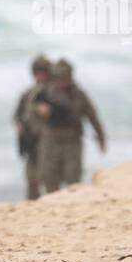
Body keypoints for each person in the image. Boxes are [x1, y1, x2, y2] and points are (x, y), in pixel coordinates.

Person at [32, 60, 106, 193]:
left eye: (64, 77)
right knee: (50, 180)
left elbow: (92, 116)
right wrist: (39, 110)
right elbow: (30, 112)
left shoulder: (78, 95)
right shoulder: (45, 93)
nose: (61, 81)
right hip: (51, 142)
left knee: (73, 181)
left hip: (72, 142)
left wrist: (100, 137)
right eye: (59, 78)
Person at [14, 55, 51, 199]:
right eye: (38, 72)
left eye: (43, 72)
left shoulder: (53, 93)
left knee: (48, 176)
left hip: (48, 141)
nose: (40, 75)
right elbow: (17, 115)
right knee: (31, 178)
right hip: (31, 140)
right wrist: (20, 126)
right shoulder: (28, 94)